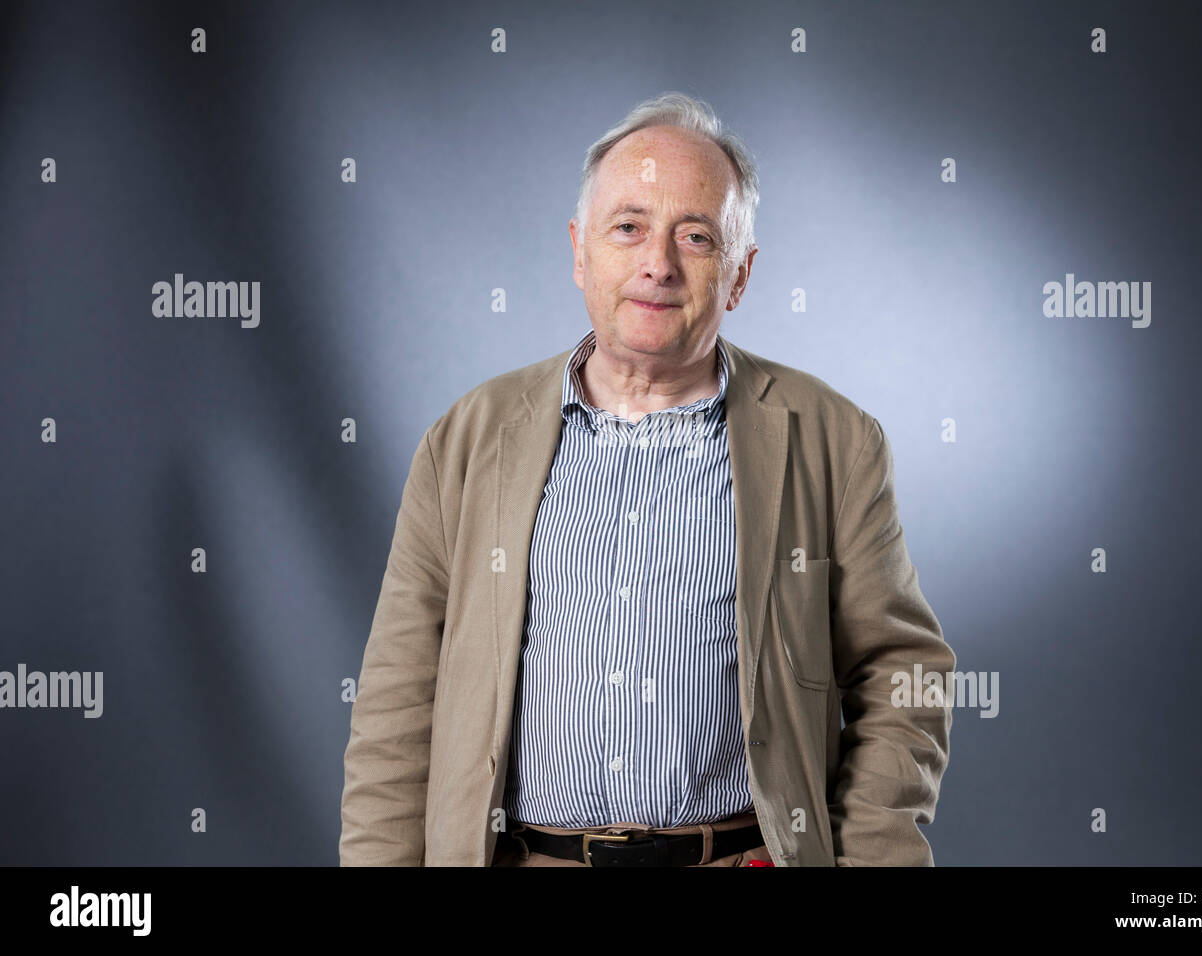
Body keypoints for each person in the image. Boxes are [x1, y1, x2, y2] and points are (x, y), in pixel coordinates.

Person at [339, 92, 956, 867]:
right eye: (628, 227)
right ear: (579, 250)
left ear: (738, 276)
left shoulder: (833, 441)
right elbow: (397, 703)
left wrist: (870, 857)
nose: (657, 264)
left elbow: (904, 671)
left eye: (695, 237)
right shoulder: (467, 440)